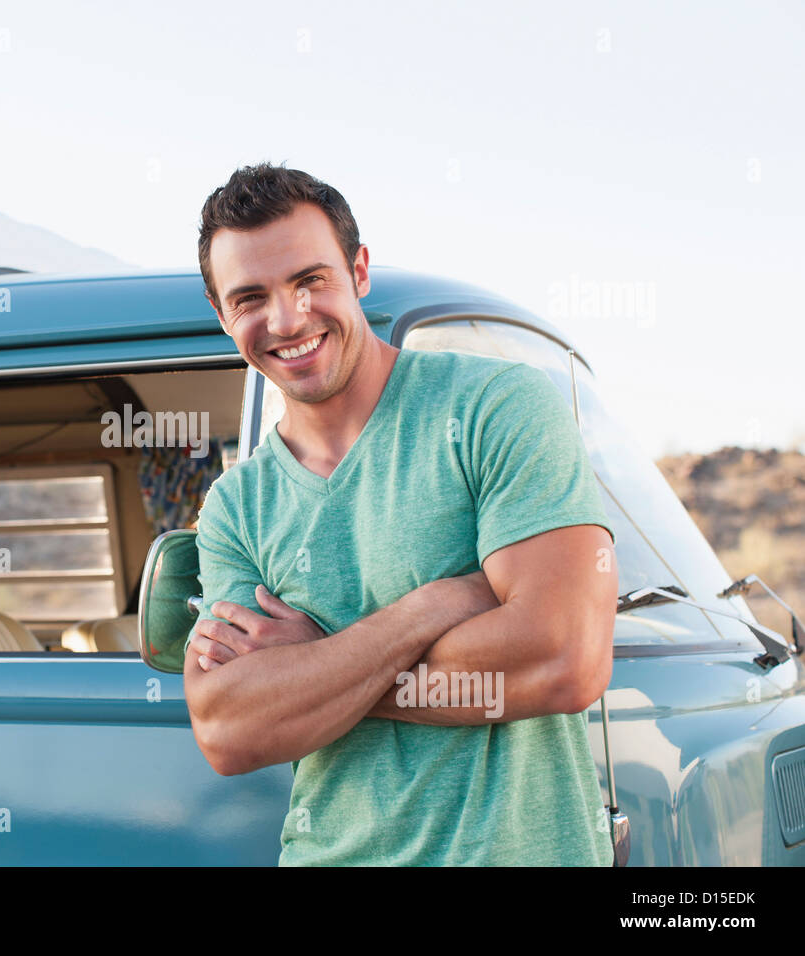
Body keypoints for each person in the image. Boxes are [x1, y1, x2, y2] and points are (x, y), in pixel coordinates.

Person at [184, 162, 619, 865]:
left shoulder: (495, 407)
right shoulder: (236, 507)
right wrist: (435, 606)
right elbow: (230, 729)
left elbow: (565, 658)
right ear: (221, 311)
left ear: (358, 270)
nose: (287, 319)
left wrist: (315, 666)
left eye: (309, 280)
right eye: (251, 297)